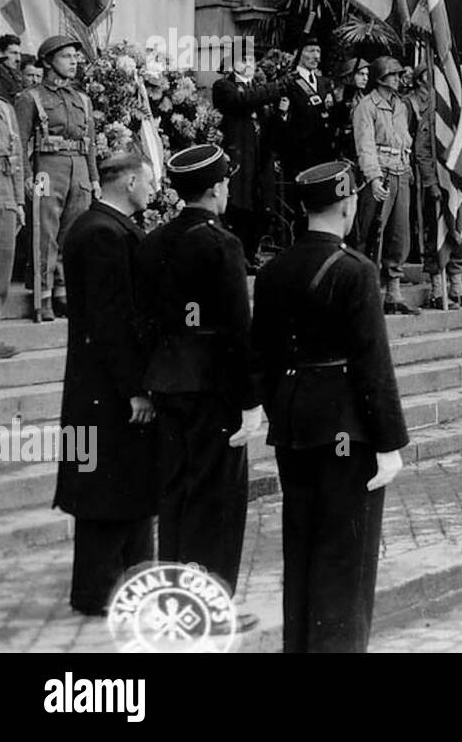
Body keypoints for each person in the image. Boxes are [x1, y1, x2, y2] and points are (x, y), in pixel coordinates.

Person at [249, 160, 409, 652]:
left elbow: (263, 354)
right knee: (347, 559)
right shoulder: (356, 271)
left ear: (303, 207)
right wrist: (390, 443)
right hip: (347, 427)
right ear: (347, 204)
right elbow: (372, 364)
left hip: (295, 423)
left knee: (302, 546)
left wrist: (276, 408)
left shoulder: (273, 270)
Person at [137, 144, 259, 616]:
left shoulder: (153, 242)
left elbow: (143, 321)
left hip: (168, 380)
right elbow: (236, 328)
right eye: (226, 183)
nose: (228, 190)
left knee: (176, 497)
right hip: (214, 387)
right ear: (214, 190)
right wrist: (251, 401)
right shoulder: (221, 244)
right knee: (219, 503)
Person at [55, 153, 160, 617]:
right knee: (106, 493)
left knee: (128, 490)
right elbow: (111, 321)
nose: (153, 188)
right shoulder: (101, 233)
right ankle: (99, 592)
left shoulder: (105, 227)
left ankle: (127, 583)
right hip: (106, 389)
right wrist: (135, 388)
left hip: (102, 385)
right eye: (149, 180)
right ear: (131, 181)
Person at [14, 35, 100, 320]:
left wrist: (94, 178)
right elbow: (20, 141)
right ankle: (44, 296)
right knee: (44, 232)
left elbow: (90, 142)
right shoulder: (30, 98)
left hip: (79, 171)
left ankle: (65, 293)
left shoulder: (82, 100)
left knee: (74, 235)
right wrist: (26, 177)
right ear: (48, 62)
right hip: (46, 170)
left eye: (76, 57)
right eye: (66, 57)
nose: (74, 61)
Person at [351, 56, 419, 316]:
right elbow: (364, 145)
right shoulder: (366, 107)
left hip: (401, 171)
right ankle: (366, 292)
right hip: (379, 173)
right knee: (370, 234)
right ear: (381, 79)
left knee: (399, 235)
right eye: (393, 75)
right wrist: (374, 177)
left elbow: (405, 140)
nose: (399, 79)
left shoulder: (401, 105)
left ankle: (393, 292)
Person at [413, 65, 462, 308]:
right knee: (440, 231)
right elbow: (421, 151)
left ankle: (456, 284)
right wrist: (431, 182)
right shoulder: (436, 112)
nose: (461, 88)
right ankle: (437, 288)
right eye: (458, 83)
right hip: (441, 182)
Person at [212, 52, 287, 270]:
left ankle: (251, 252)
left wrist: (280, 114)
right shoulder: (224, 86)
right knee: (238, 207)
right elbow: (242, 100)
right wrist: (276, 87)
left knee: (261, 206)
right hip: (239, 157)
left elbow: (271, 129)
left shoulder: (261, 90)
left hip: (260, 158)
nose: (250, 64)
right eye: (244, 60)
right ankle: (238, 256)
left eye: (252, 60)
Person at [272, 36, 337, 241]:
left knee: (322, 204)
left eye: (318, 52)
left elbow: (331, 119)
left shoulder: (325, 83)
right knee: (301, 207)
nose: (315, 56)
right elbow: (279, 121)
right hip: (298, 155)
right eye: (310, 51)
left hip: (322, 153)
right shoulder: (288, 82)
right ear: (299, 53)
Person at [0, 84, 24, 320]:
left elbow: (17, 159)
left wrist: (19, 202)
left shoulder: (5, 110)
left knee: (1, 265)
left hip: (4, 194)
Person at [331, 56, 370, 164]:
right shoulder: (336, 97)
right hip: (339, 153)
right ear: (349, 76)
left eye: (367, 74)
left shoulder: (363, 98)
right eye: (361, 74)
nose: (365, 78)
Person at [0, 34, 23, 103]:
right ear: (1, 54)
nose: (18, 59)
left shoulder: (15, 77)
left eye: (19, 54)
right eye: (14, 53)